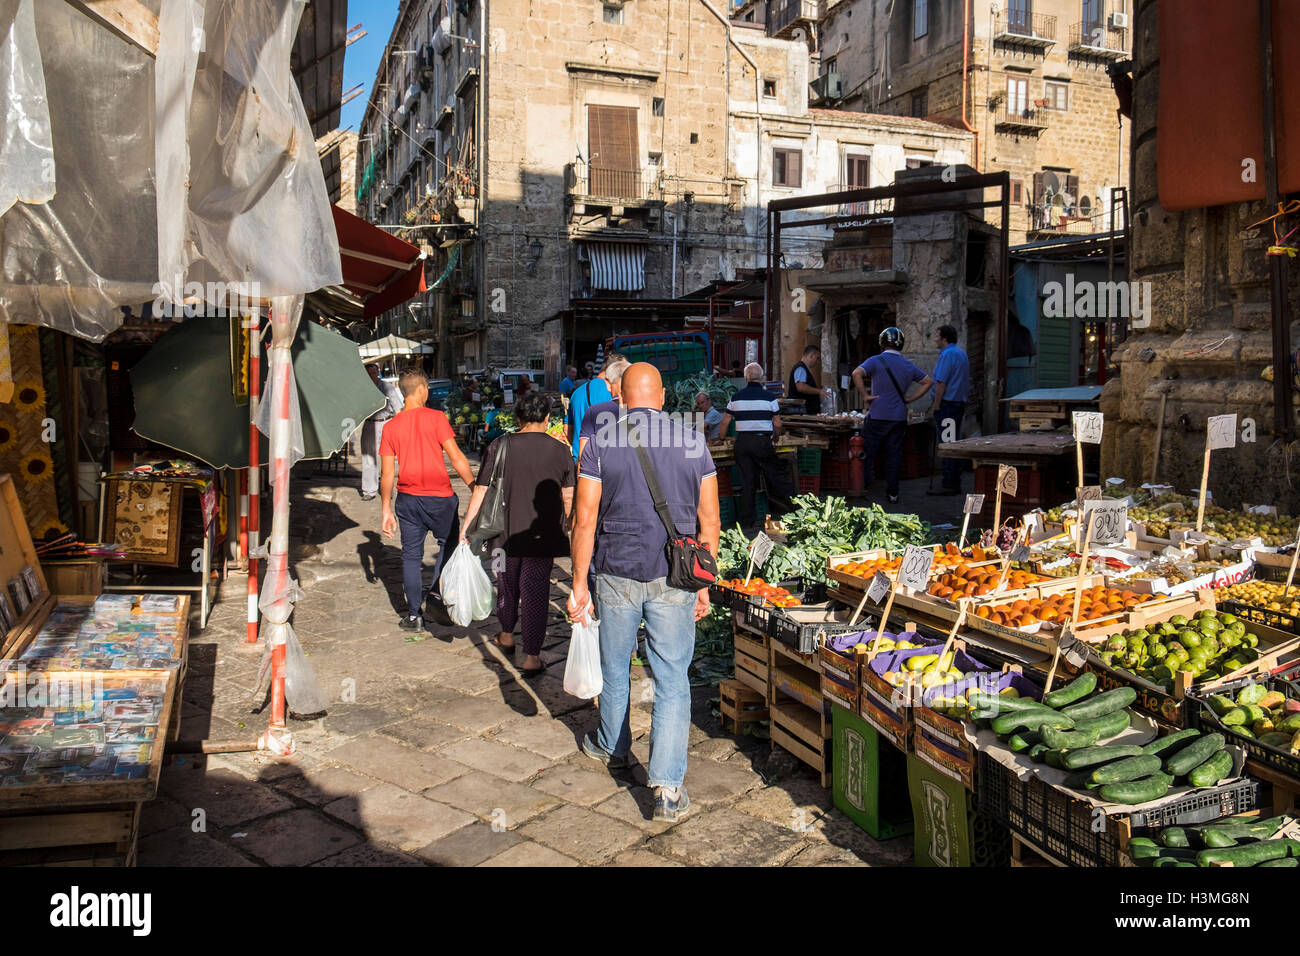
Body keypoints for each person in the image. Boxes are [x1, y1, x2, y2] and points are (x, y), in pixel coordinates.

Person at [569, 362, 720, 822]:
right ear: (661, 397)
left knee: (616, 666)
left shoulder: (599, 445)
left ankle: (613, 748)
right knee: (672, 678)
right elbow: (709, 521)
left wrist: (578, 585)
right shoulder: (694, 443)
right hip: (676, 575)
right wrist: (704, 586)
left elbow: (584, 519)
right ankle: (668, 789)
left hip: (615, 571)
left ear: (622, 398)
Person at [461, 390, 574, 677]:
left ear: (518, 418)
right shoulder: (561, 450)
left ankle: (507, 634)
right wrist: (573, 526)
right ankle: (532, 656)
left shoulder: (499, 445)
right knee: (535, 593)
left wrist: (467, 526)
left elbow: (482, 490)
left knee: (506, 585)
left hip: (500, 537)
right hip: (542, 537)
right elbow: (569, 496)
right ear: (548, 418)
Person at [380, 367, 475, 630]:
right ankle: (436, 596)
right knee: (448, 547)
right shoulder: (436, 418)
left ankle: (413, 615)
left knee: (411, 557)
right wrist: (474, 486)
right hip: (441, 498)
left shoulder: (390, 427)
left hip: (408, 499)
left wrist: (385, 508)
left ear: (400, 390)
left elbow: (387, 474)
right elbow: (456, 456)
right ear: (422, 389)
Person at [851, 328, 933, 505]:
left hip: (877, 415)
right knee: (894, 455)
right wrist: (910, 398)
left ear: (882, 343)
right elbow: (928, 382)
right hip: (898, 418)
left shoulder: (875, 361)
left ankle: (863, 488)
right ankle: (893, 494)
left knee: (868, 453)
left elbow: (856, 373)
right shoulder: (907, 364)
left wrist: (865, 396)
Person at [718, 363, 797, 529]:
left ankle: (746, 523)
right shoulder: (769, 398)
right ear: (761, 378)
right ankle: (796, 510)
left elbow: (725, 421)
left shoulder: (736, 397)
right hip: (762, 442)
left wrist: (722, 438)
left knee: (748, 483)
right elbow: (777, 423)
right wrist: (774, 437)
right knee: (777, 477)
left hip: (743, 443)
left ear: (746, 377)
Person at [928, 324, 971, 496]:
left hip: (948, 405)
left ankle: (949, 483)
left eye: (937, 335)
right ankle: (954, 480)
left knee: (946, 444)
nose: (935, 338)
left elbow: (941, 383)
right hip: (958, 404)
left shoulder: (947, 355)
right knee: (954, 442)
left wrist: (936, 406)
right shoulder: (961, 353)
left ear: (944, 338)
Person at [564, 354, 628, 463]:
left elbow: (567, 430)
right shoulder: (614, 393)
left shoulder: (577, 393)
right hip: (605, 464)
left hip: (580, 461)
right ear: (614, 369)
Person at [360, 365, 402, 501]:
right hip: (369, 423)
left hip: (386, 422)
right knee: (368, 457)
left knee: (388, 458)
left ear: (378, 373)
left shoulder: (387, 387)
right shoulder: (363, 388)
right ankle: (369, 490)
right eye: (369, 373)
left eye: (374, 372)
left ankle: (387, 489)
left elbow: (398, 407)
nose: (372, 375)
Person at [787, 344, 830, 416]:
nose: (817, 362)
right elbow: (801, 387)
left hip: (806, 411)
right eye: (817, 358)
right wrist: (819, 391)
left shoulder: (804, 368)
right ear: (811, 355)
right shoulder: (801, 368)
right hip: (802, 412)